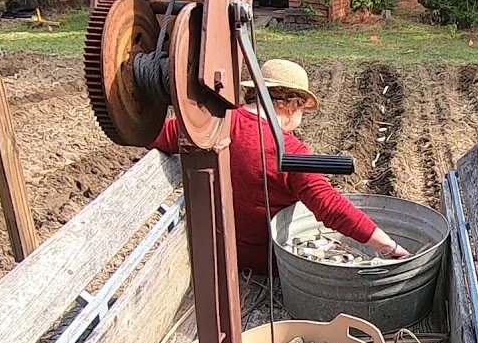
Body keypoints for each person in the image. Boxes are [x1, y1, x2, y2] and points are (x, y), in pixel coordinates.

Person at [152, 59, 409, 276]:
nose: (300, 118)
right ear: (292, 104)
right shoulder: (289, 151)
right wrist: (388, 247)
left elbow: (153, 134)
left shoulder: (212, 124)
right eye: (302, 110)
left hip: (215, 249)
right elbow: (330, 206)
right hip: (265, 262)